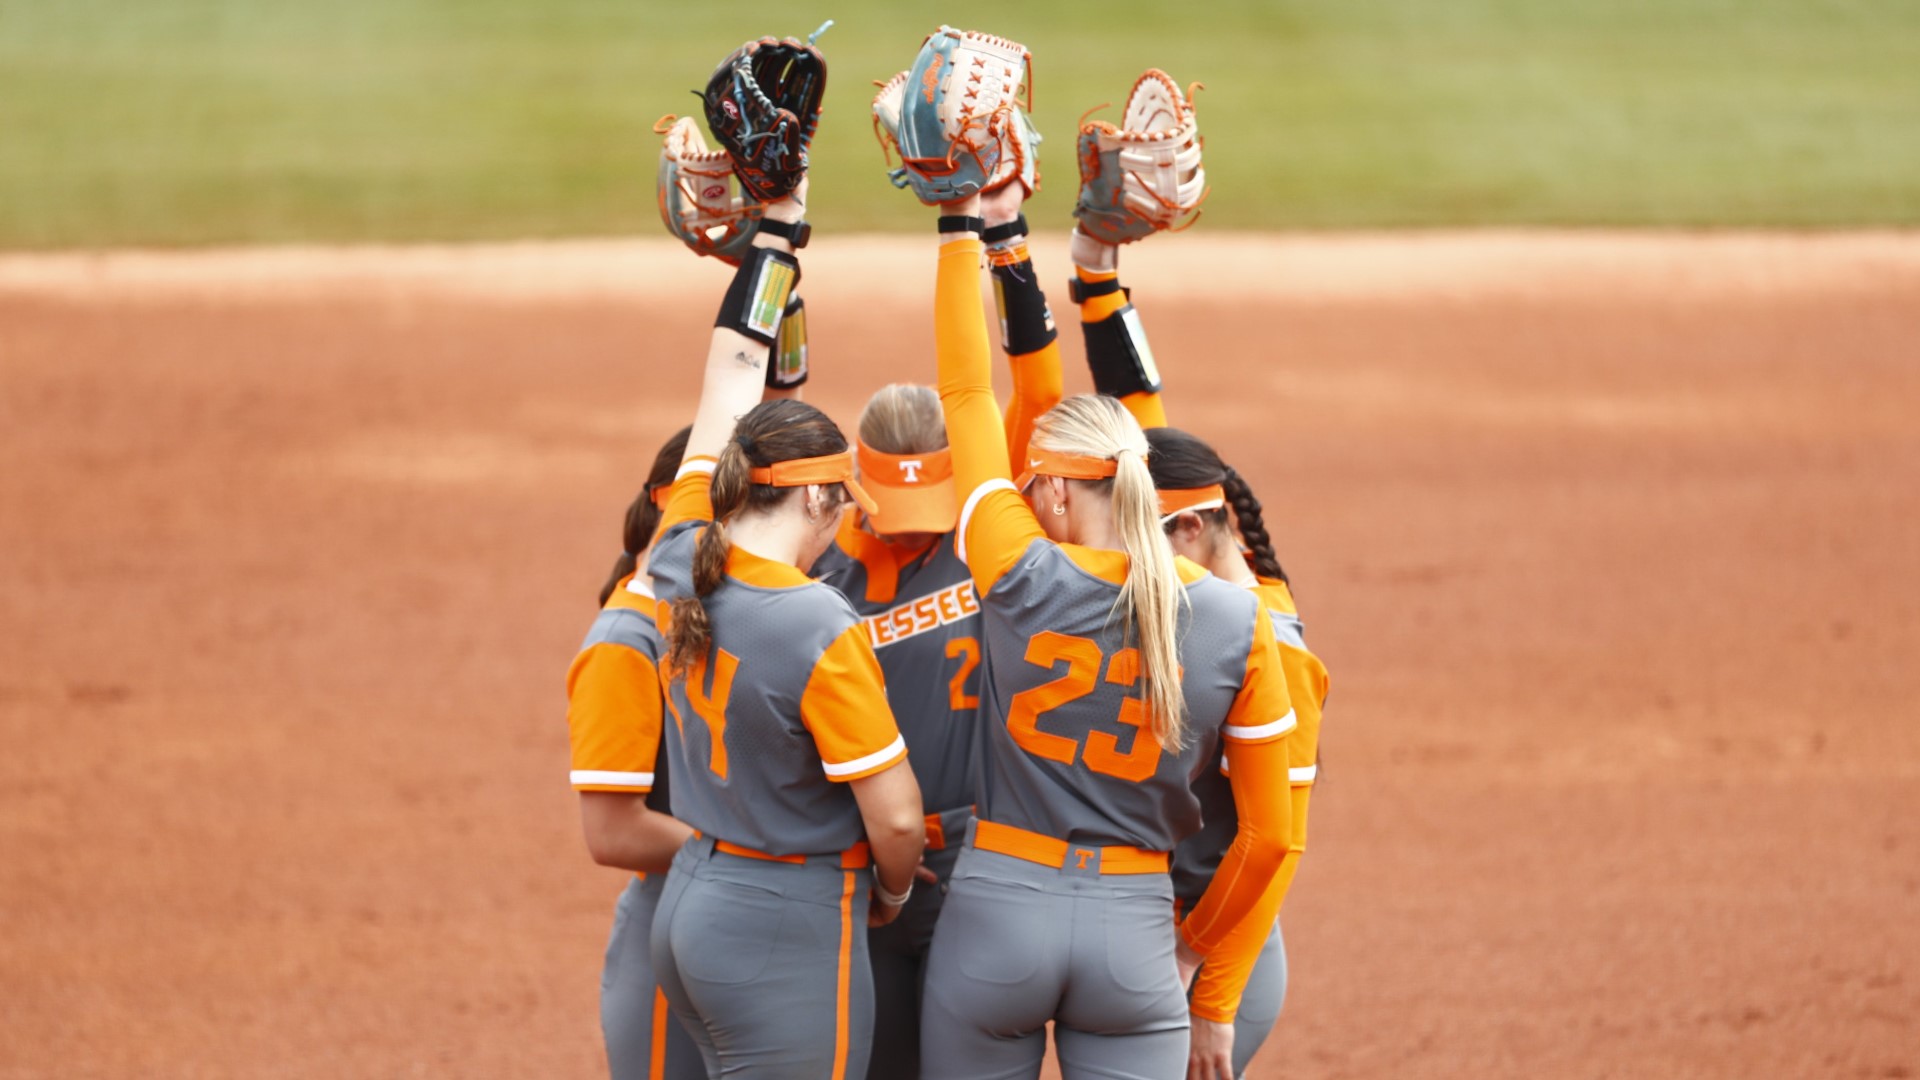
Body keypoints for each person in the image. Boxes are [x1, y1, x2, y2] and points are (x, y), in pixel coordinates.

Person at [915, 195, 1298, 1080]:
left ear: (1053, 495)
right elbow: (1271, 838)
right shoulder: (1242, 620)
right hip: (1136, 930)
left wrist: (959, 224)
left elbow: (967, 392)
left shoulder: (1016, 568)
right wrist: (1194, 953)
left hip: (998, 912)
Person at [646, 177, 929, 1080]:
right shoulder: (816, 621)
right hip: (785, 922)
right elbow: (896, 817)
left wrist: (777, 227)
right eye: (842, 498)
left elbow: (729, 372)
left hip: (691, 904)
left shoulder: (678, 551)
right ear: (814, 494)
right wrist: (889, 895)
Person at [807, 184, 1063, 1080]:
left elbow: (1033, 384)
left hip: (984, 862)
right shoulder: (815, 566)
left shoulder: (989, 526)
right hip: (873, 868)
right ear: (848, 483)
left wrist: (999, 233)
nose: (918, 525)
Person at [1069, 223, 1334, 1080]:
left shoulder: (1269, 641)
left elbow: (1276, 845)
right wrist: (1096, 274)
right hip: (1160, 926)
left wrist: (1212, 996)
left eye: (1135, 535)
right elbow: (1139, 406)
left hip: (1215, 944)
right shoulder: (1206, 560)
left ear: (1186, 527)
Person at [566, 427, 706, 1080]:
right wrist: (758, 855)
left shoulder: (721, 620)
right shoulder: (625, 644)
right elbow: (612, 831)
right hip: (668, 934)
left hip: (725, 914)